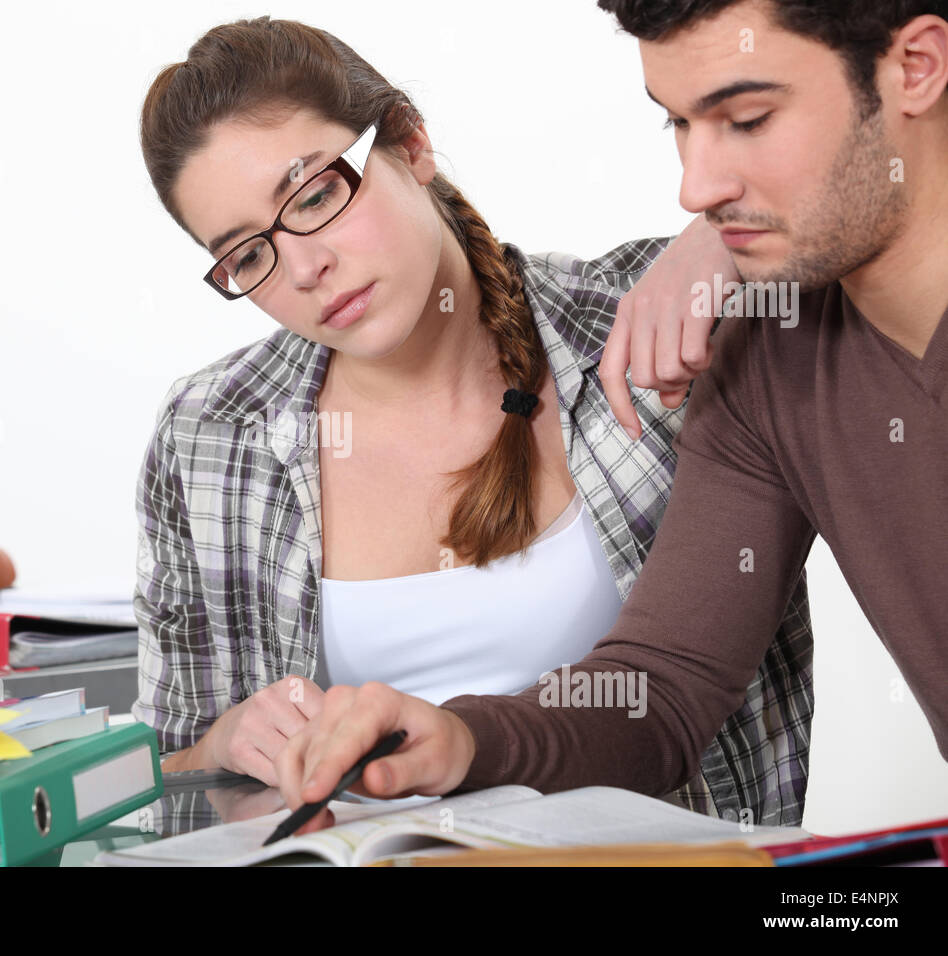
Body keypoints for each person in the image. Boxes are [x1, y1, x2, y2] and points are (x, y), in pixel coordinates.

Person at [274, 0, 948, 831]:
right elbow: (665, 687)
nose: (695, 188)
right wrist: (464, 739)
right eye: (678, 123)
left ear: (916, 67)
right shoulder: (771, 349)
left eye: (746, 118)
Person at [133, 15, 814, 827]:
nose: (306, 268)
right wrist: (217, 749)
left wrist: (729, 239)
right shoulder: (210, 435)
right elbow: (150, 788)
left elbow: (872, 189)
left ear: (410, 144)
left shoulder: (644, 326)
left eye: (315, 194)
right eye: (249, 254)